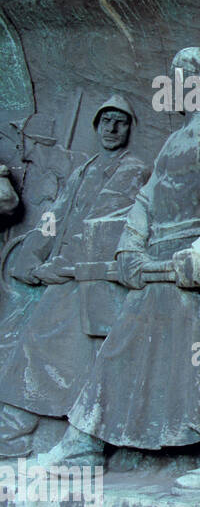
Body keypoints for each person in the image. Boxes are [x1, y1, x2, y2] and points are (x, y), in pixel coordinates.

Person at [37, 49, 200, 486]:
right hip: (156, 266)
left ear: (194, 80)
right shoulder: (178, 138)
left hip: (189, 265)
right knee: (122, 347)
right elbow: (146, 200)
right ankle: (85, 442)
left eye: (174, 80)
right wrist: (129, 248)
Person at [0, 96, 151, 457]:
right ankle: (20, 429)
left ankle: (19, 430)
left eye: (120, 122)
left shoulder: (132, 169)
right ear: (96, 126)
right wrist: (31, 254)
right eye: (105, 121)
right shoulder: (86, 168)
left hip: (94, 279)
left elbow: (103, 221)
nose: (111, 129)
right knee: (35, 341)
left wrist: (61, 264)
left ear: (130, 128)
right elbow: (57, 213)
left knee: (44, 342)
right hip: (68, 275)